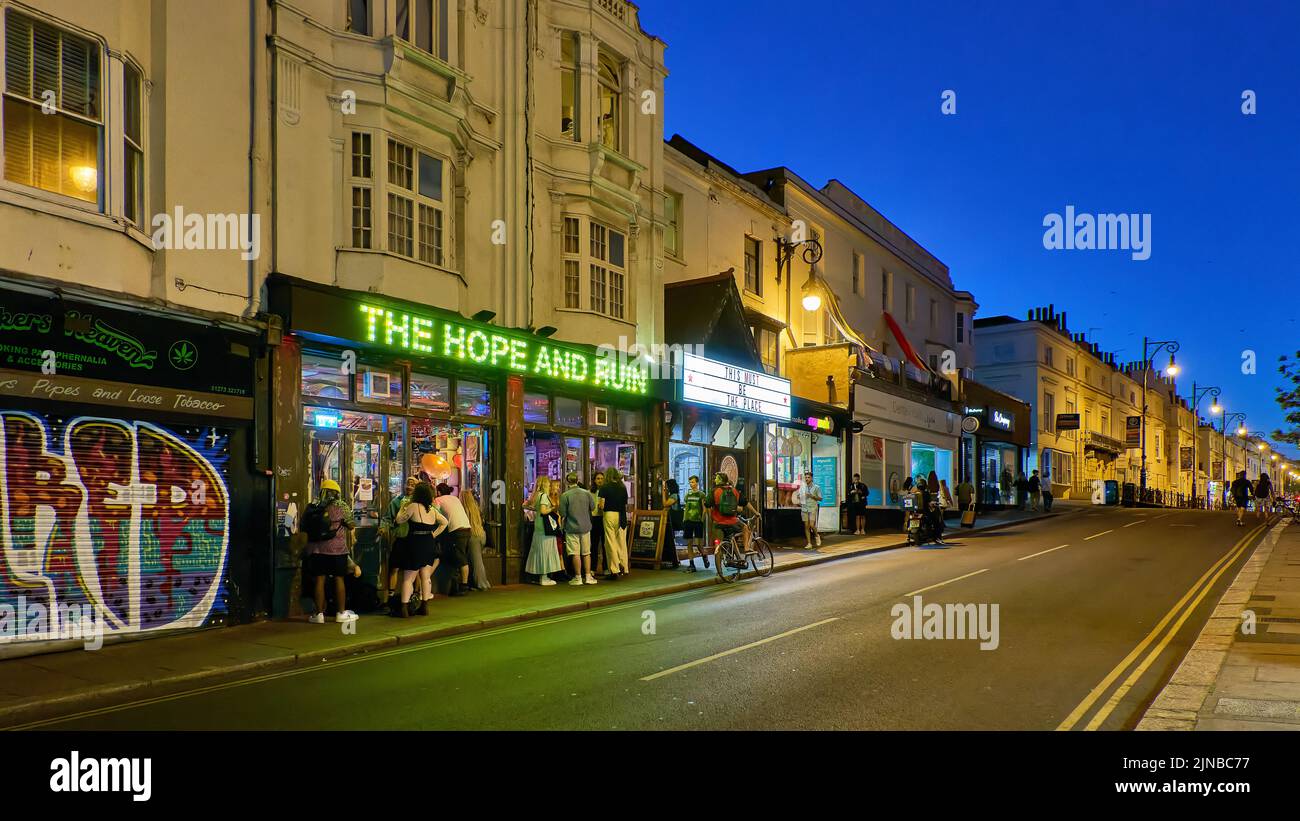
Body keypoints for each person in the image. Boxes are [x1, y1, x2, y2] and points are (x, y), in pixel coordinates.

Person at [302, 478, 358, 624]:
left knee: (319, 579)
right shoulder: (341, 506)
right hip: (337, 550)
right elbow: (351, 525)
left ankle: (319, 614)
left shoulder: (315, 505)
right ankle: (341, 613)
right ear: (337, 493)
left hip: (317, 549)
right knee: (339, 579)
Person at [393, 482, 448, 617]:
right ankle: (424, 606)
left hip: (415, 543)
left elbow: (399, 520)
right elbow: (445, 522)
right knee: (425, 576)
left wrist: (401, 508)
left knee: (408, 577)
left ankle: (404, 608)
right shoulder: (432, 510)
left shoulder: (412, 506)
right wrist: (433, 535)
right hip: (428, 544)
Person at [382, 476, 418, 612]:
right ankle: (390, 597)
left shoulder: (418, 503)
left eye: (412, 484)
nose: (409, 486)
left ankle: (416, 596)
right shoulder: (397, 501)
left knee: (416, 570)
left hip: (414, 540)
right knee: (394, 568)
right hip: (401, 538)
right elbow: (387, 518)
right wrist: (383, 527)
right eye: (408, 484)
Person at [559, 472, 599, 585]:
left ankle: (578, 577)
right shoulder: (587, 493)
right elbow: (592, 507)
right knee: (586, 552)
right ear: (577, 481)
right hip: (586, 526)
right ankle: (588, 576)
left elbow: (562, 513)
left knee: (575, 553)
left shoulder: (565, 495)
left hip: (571, 527)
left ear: (567, 482)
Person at [434, 483, 473, 597]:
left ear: (439, 492)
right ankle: (456, 586)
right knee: (459, 556)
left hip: (456, 530)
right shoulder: (455, 498)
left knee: (460, 558)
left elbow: (434, 515)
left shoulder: (438, 500)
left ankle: (463, 585)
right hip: (466, 528)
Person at [525, 476, 565, 584]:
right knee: (546, 550)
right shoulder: (544, 496)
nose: (549, 485)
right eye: (548, 483)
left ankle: (540, 576)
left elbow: (526, 505)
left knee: (539, 550)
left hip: (538, 526)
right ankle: (544, 577)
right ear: (545, 484)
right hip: (545, 527)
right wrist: (553, 508)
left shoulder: (536, 495)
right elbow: (543, 511)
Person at [597, 467, 631, 579]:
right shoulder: (622, 487)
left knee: (610, 542)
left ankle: (614, 569)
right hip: (621, 515)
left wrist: (599, 507)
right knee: (621, 542)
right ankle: (624, 567)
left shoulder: (604, 488)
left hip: (609, 515)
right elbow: (625, 504)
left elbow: (601, 505)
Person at [461, 489, 491, 590]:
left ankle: (482, 584)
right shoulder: (476, 507)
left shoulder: (464, 509)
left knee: (477, 562)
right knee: (476, 560)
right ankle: (476, 583)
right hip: (481, 534)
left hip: (473, 536)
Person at [706, 473, 744, 552]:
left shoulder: (714, 491)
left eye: (716, 478)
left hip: (718, 523)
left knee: (718, 544)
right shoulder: (734, 490)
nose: (715, 480)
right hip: (733, 522)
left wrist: (711, 519)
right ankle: (742, 549)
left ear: (720, 480)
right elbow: (740, 505)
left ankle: (719, 558)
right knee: (745, 528)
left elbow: (707, 505)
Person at [681, 475, 711, 571]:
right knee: (689, 543)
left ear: (697, 483)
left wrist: (702, 520)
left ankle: (704, 555)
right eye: (690, 482)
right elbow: (686, 507)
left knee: (698, 543)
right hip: (688, 521)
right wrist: (684, 519)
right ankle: (691, 564)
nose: (691, 484)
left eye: (693, 482)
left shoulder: (701, 494)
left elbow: (704, 509)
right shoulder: (687, 495)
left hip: (697, 521)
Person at [793, 470, 823, 548]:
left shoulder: (816, 487)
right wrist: (799, 497)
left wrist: (811, 496)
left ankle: (817, 535)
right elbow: (798, 496)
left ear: (812, 478)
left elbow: (820, 498)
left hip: (812, 508)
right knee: (806, 526)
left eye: (808, 477)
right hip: (804, 508)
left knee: (812, 525)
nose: (807, 479)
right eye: (806, 477)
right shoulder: (802, 487)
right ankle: (809, 543)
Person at [661, 478, 683, 569]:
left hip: (672, 520)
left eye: (667, 486)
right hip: (671, 520)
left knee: (670, 540)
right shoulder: (673, 495)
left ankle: (674, 560)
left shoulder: (674, 495)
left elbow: (665, 504)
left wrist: (663, 493)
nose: (666, 488)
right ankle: (673, 560)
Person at [590, 471, 606, 576]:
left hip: (604, 518)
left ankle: (606, 567)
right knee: (594, 545)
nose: (600, 480)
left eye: (601, 478)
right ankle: (593, 568)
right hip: (594, 518)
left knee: (605, 544)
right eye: (598, 478)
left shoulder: (606, 491)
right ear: (594, 480)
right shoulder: (590, 492)